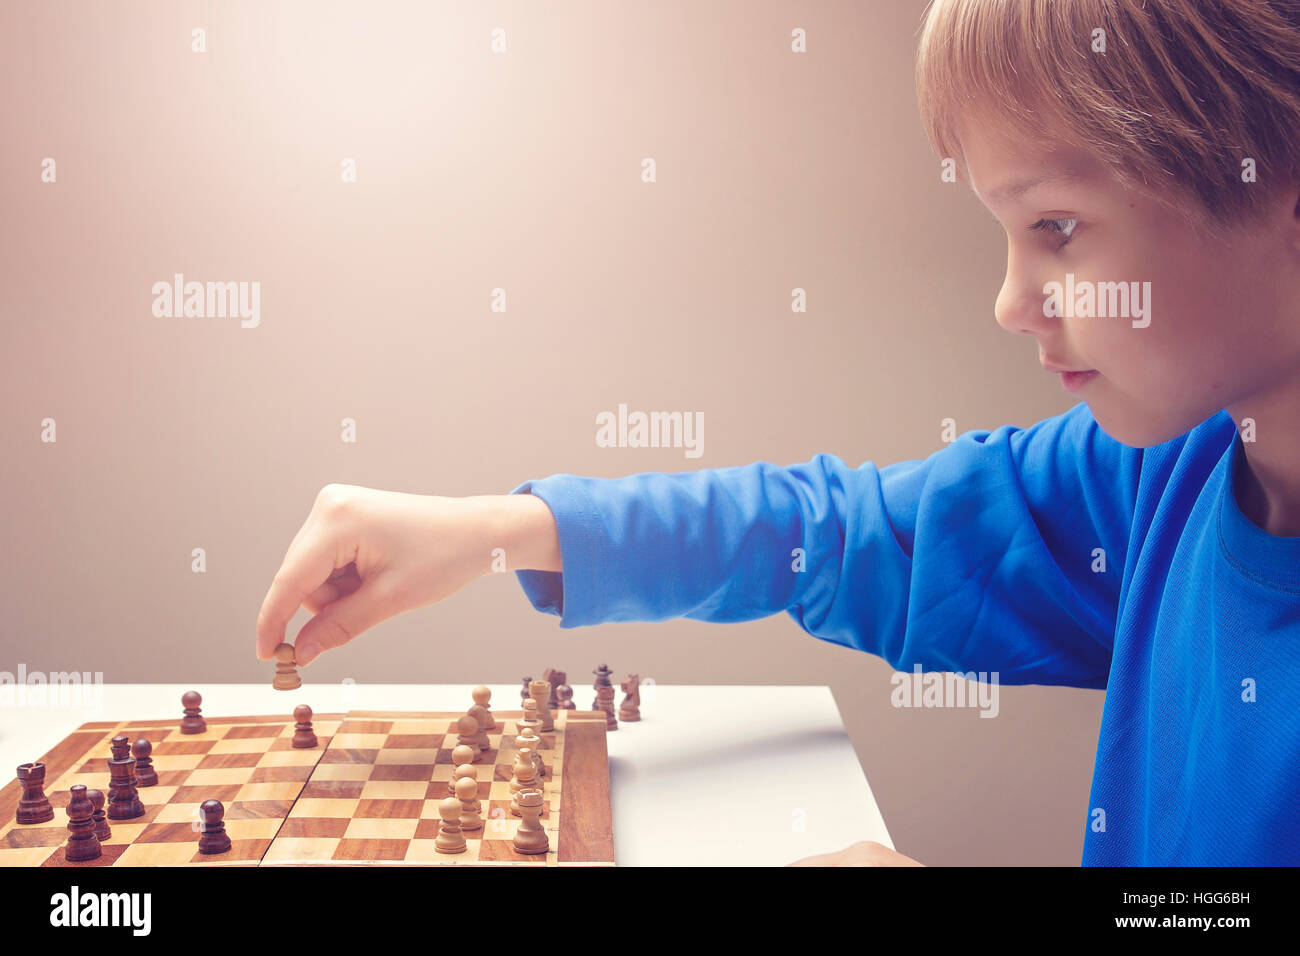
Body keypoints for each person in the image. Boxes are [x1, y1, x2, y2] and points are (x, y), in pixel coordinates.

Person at [256, 0, 1300, 866]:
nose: (1010, 301)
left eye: (1055, 229)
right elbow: (834, 528)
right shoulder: (1167, 477)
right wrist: (499, 526)